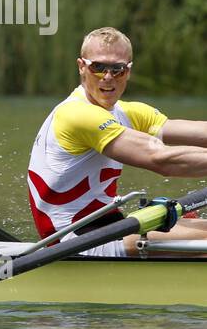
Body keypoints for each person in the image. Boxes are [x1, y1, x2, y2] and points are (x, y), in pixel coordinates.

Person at [27, 26, 207, 256]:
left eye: (117, 69)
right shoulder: (77, 114)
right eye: (98, 67)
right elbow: (161, 159)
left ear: (128, 71)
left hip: (109, 227)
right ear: (82, 67)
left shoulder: (126, 112)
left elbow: (198, 131)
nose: (108, 77)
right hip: (74, 241)